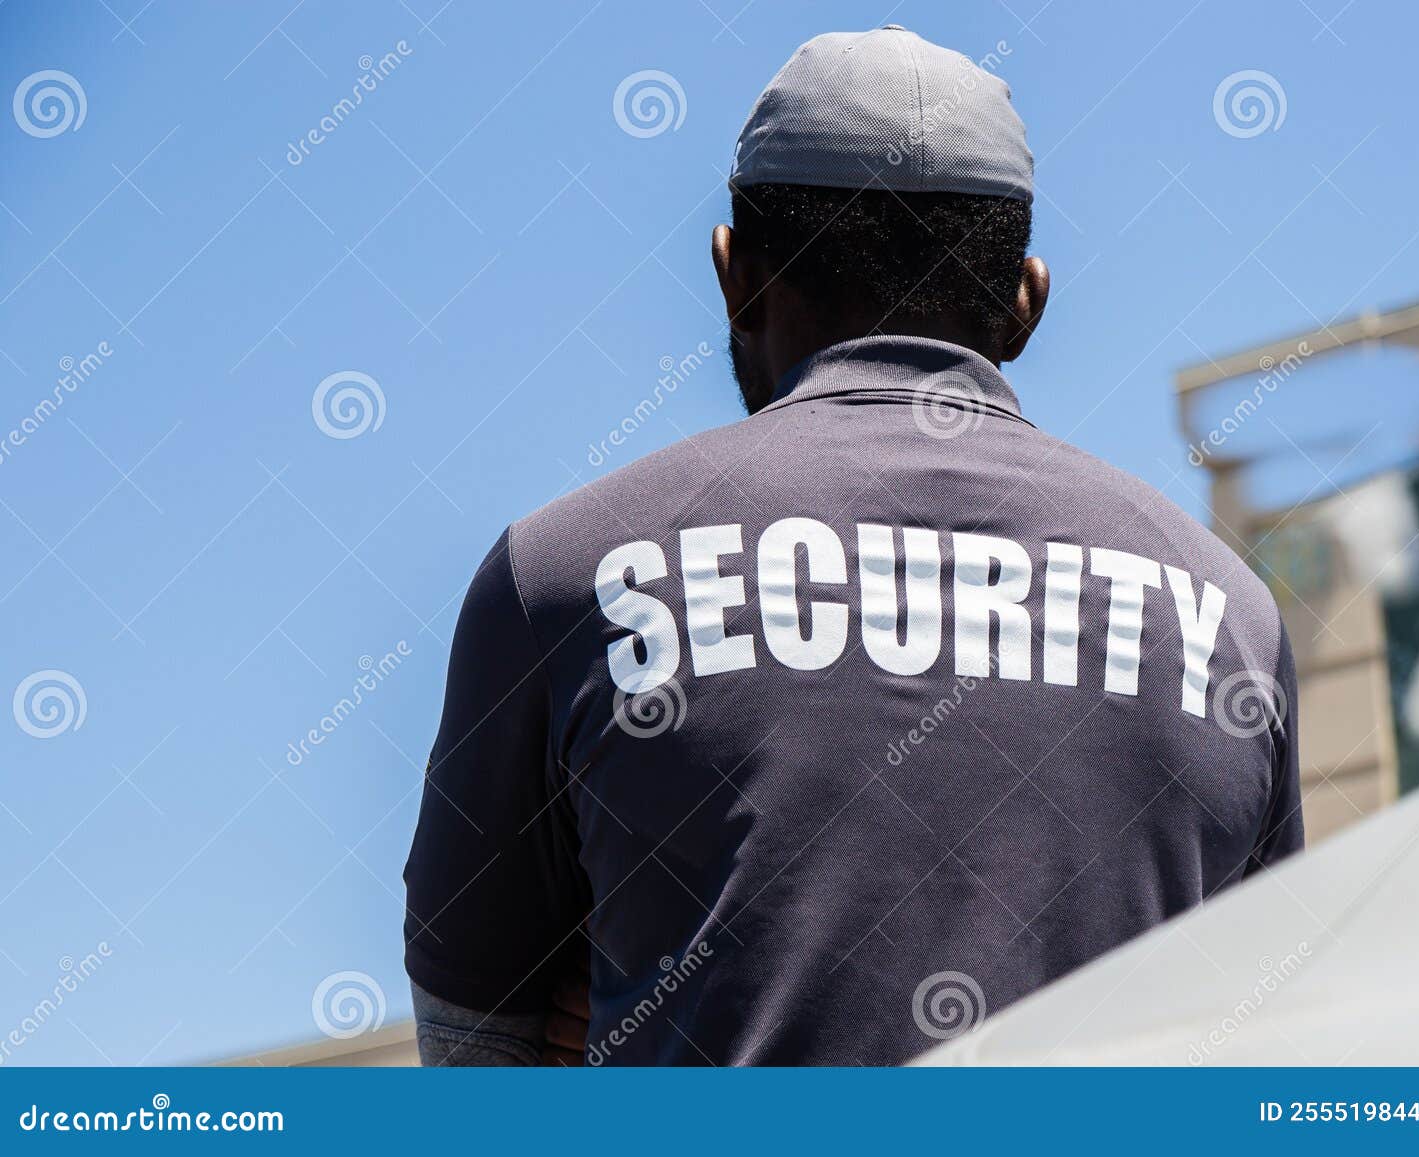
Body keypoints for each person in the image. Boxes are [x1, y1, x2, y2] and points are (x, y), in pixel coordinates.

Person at [403, 25, 1303, 1067]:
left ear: (733, 272)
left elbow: (475, 1058)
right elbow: (1268, 1047)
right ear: (1026, 302)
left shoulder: (561, 575)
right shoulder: (1231, 614)